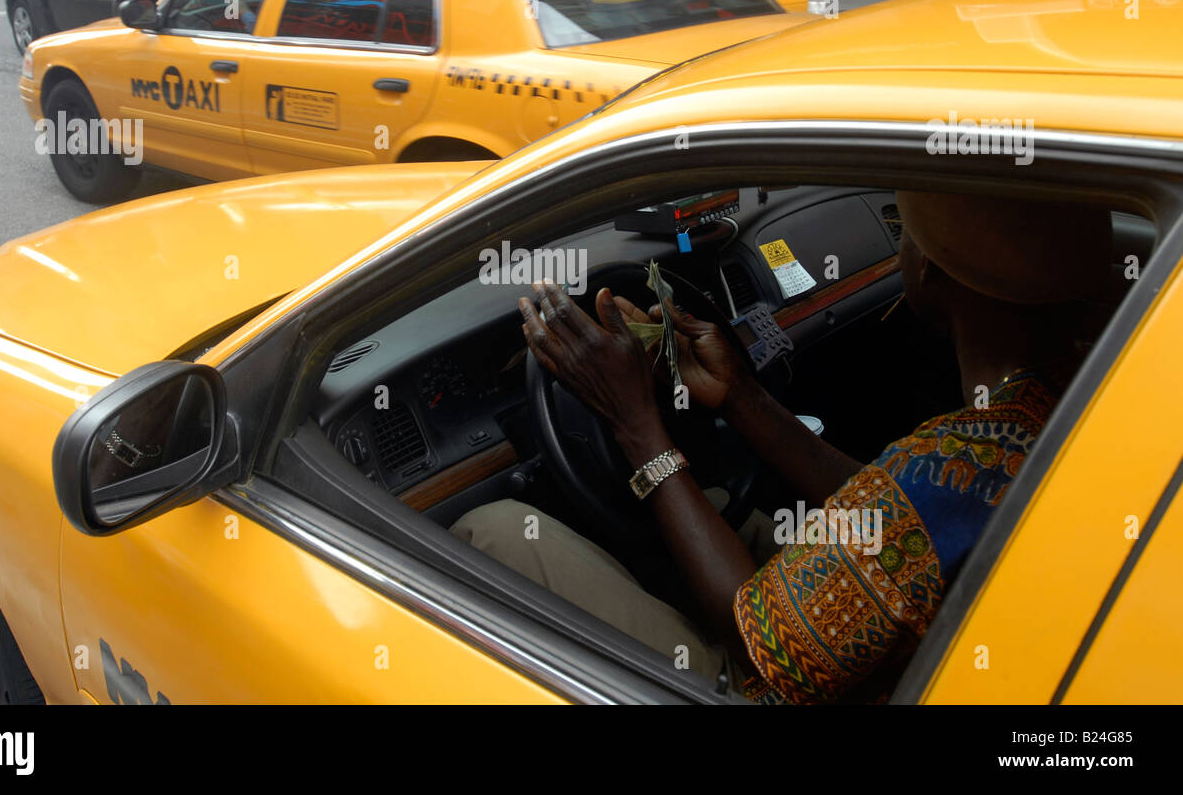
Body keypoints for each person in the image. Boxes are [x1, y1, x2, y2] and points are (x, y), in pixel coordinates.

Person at [451, 191, 1111, 698]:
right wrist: (742, 397)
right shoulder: (1053, 409)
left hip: (777, 684)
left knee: (495, 529)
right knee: (708, 500)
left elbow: (752, 638)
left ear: (929, 268)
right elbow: (897, 518)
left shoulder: (942, 467)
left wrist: (634, 425)